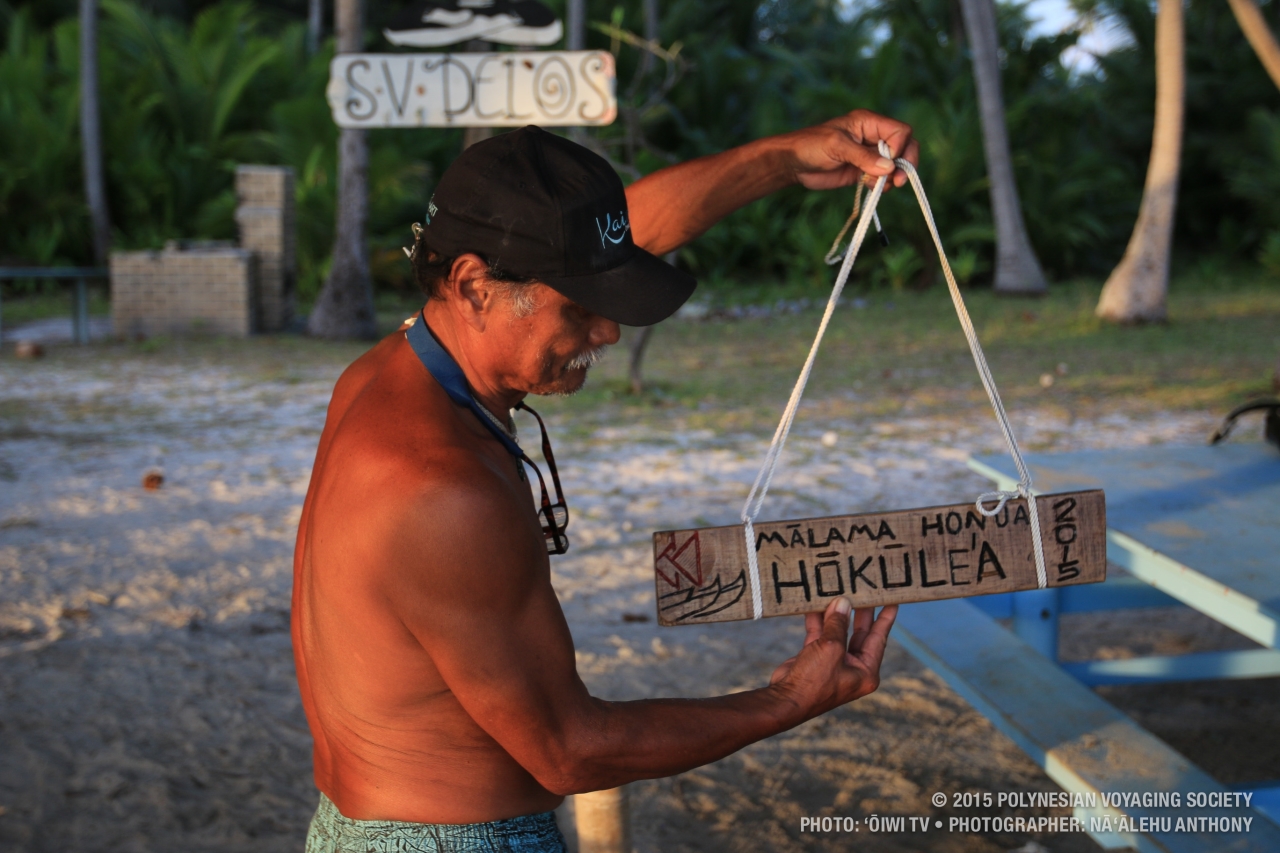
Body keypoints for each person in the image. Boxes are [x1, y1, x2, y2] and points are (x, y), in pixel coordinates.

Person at [294, 111, 918, 852]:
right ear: (473, 285)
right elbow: (569, 748)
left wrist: (783, 158)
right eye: (582, 309)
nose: (609, 332)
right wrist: (787, 699)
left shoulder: (383, 372)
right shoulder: (441, 489)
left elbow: (625, 231)